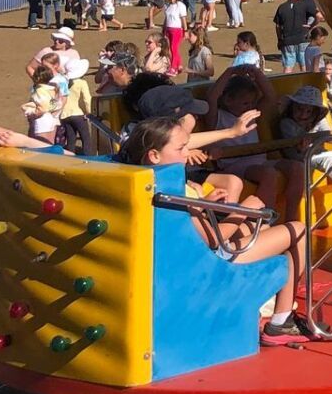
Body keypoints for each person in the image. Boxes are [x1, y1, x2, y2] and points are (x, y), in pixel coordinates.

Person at [117, 113, 313, 342]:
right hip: (206, 262)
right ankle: (281, 321)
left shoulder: (149, 178)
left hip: (181, 258)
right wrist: (247, 208)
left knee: (254, 232)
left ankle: (263, 301)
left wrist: (204, 201)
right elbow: (213, 240)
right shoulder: (175, 191)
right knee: (297, 230)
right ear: (154, 155)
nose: (187, 153)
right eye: (181, 149)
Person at [273, 0, 317, 72]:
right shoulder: (305, 5)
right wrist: (311, 25)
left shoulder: (282, 7)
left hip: (287, 40)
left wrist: (279, 39)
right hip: (303, 38)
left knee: (288, 66)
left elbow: (278, 26)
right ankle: (305, 84)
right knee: (304, 65)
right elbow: (319, 16)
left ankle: (285, 84)